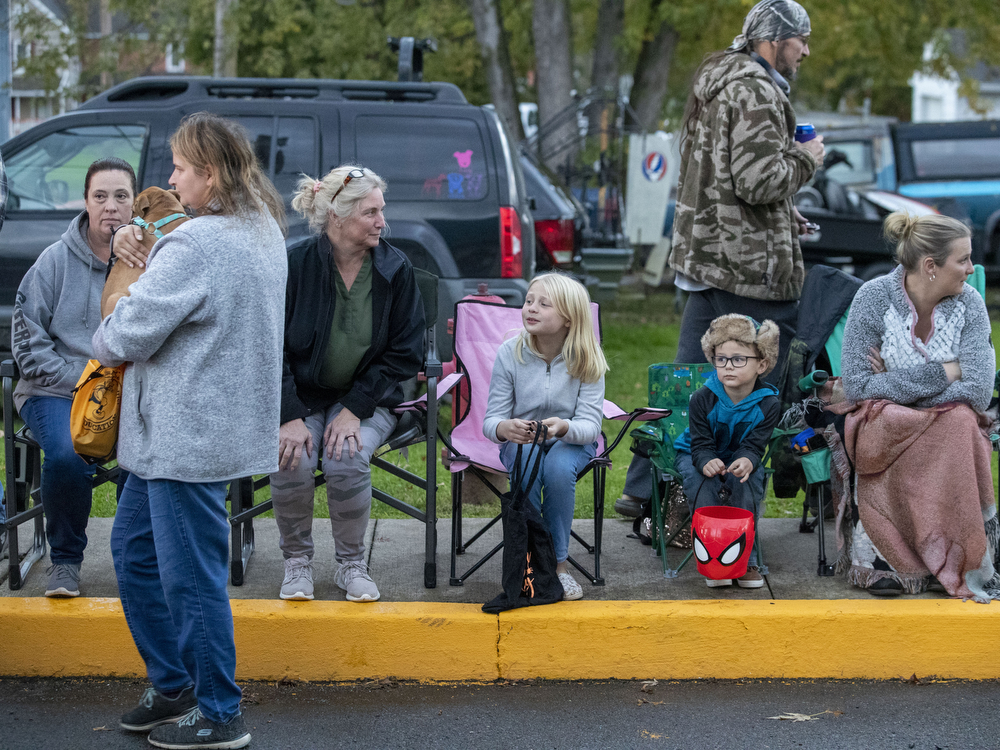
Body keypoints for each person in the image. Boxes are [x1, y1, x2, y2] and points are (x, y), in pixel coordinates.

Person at [93, 113, 287, 749]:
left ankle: (220, 711)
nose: (169, 180)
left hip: (183, 437)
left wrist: (129, 285)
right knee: (135, 551)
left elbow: (118, 336)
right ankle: (173, 683)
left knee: (190, 578)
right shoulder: (262, 228)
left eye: (179, 168)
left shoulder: (197, 245)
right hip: (201, 430)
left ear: (209, 174)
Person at [616, 0, 823, 519]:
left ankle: (642, 489)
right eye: (801, 38)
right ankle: (732, 504)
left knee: (685, 383)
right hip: (747, 271)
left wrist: (784, 215)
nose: (805, 49)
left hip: (708, 259)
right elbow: (756, 181)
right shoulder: (755, 89)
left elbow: (723, 179)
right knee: (760, 388)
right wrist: (806, 159)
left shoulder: (719, 82)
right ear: (773, 41)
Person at [272, 165, 424, 604]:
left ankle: (351, 564)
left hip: (368, 401)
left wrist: (354, 407)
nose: (382, 222)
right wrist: (288, 414)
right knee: (292, 457)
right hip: (300, 398)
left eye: (381, 211)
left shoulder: (396, 270)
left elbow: (404, 354)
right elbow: (269, 346)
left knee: (346, 457)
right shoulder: (295, 265)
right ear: (336, 216)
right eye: (370, 212)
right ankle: (297, 562)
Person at [838, 212, 998, 601]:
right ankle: (892, 561)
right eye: (962, 260)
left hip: (946, 420)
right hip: (883, 423)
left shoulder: (970, 303)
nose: (971, 268)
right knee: (895, 417)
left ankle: (958, 557)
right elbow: (858, 386)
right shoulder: (874, 298)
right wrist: (947, 370)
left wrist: (894, 382)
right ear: (931, 266)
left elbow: (978, 390)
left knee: (960, 421)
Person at [11, 157, 136, 597]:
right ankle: (65, 561)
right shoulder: (54, 261)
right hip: (55, 391)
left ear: (135, 203)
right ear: (85, 202)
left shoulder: (153, 261)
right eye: (100, 196)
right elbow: (27, 342)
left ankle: (138, 558)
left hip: (128, 393)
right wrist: (84, 381)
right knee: (67, 454)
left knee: (155, 454)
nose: (111, 207)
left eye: (121, 196)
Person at [483, 273, 608, 601]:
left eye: (543, 303)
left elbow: (590, 427)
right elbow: (491, 421)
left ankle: (559, 565)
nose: (530, 309)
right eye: (528, 301)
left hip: (571, 441)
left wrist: (562, 428)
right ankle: (529, 560)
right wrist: (504, 429)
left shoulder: (587, 357)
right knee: (528, 465)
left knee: (556, 469)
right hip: (522, 442)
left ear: (568, 317)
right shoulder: (511, 353)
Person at [673, 315, 781, 589]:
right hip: (695, 453)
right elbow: (699, 444)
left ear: (762, 364)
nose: (728, 366)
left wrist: (747, 460)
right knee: (702, 483)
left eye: (738, 359)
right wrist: (706, 460)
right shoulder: (702, 398)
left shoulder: (768, 403)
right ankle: (714, 558)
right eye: (721, 359)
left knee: (748, 480)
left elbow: (755, 444)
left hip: (739, 457)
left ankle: (745, 561)